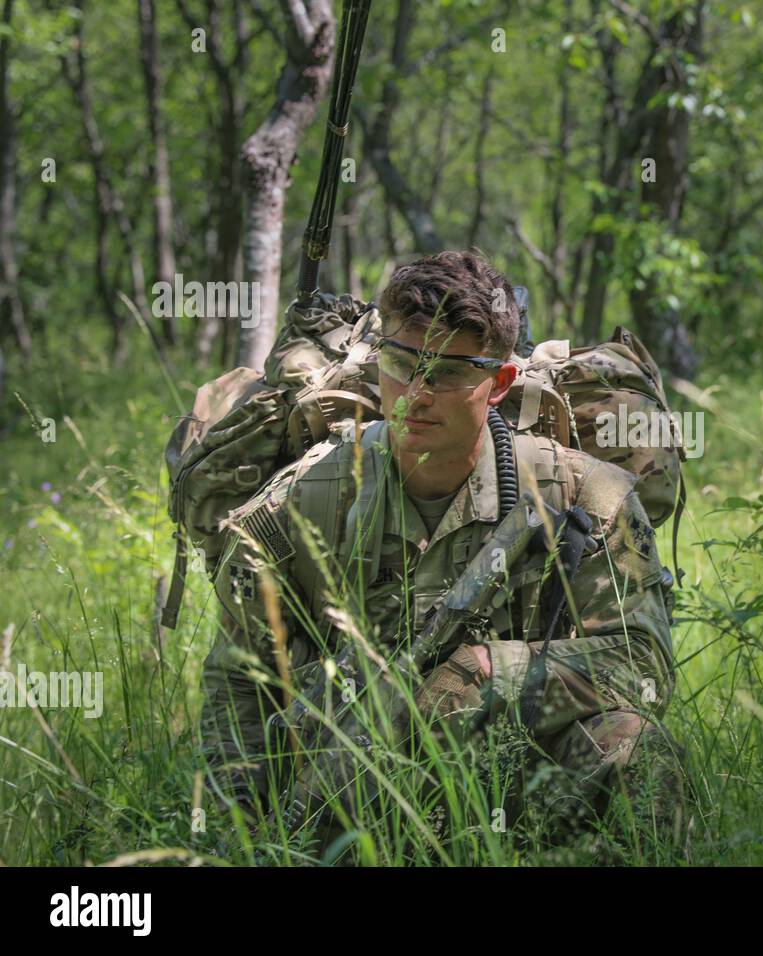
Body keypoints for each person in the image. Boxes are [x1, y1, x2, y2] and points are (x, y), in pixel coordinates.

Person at [199, 250, 682, 854]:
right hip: (346, 790)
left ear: (498, 383)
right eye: (401, 363)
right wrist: (234, 827)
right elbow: (237, 683)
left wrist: (486, 676)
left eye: (450, 373)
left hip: (516, 772)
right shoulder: (300, 505)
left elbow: (642, 668)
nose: (416, 395)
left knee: (634, 745)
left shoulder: (586, 494)